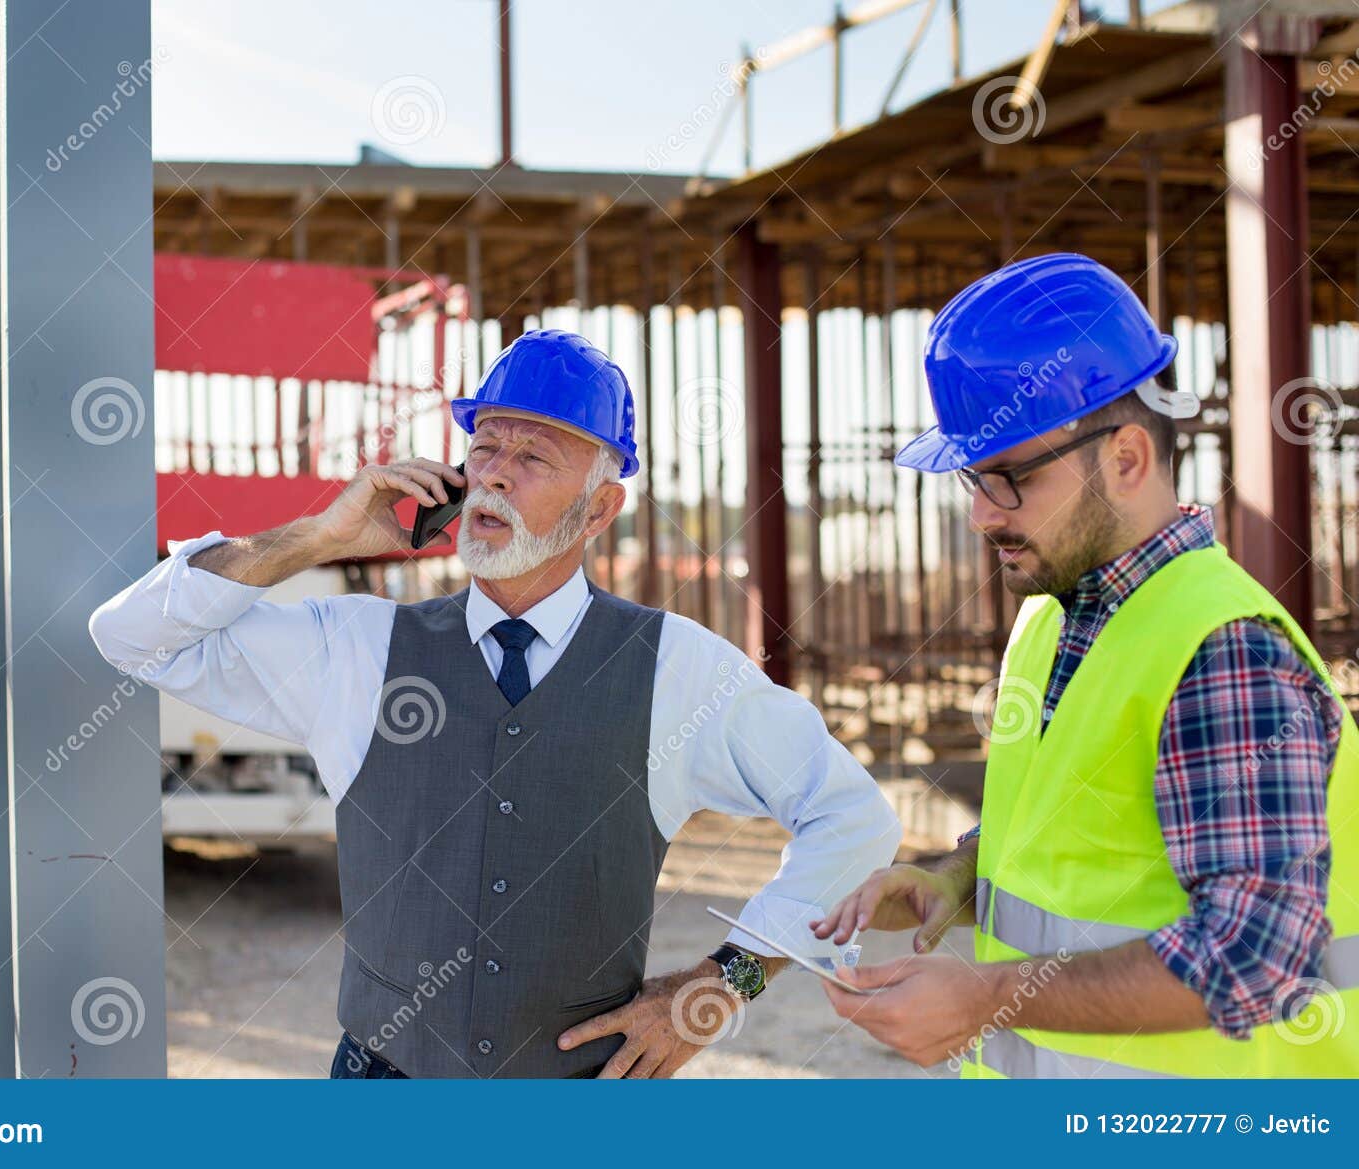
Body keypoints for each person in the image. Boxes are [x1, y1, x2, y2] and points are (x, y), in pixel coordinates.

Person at [90, 328, 900, 1078]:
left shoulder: (676, 669)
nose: (496, 472)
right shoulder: (358, 647)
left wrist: (721, 988)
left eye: (534, 456)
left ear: (599, 509)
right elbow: (130, 635)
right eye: (484, 448)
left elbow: (854, 820)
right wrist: (317, 538)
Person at [812, 252, 1357, 1078]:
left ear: (1127, 459)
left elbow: (1254, 958)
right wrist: (957, 877)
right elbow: (1081, 833)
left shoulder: (1223, 650)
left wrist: (983, 996)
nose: (980, 515)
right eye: (970, 479)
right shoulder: (1053, 620)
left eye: (1008, 478)